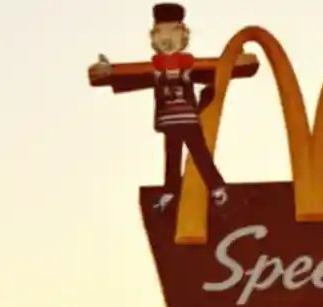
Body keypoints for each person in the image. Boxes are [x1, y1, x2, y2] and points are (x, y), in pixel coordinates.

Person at [91, 3, 229, 211]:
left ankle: (215, 186)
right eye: (160, 33)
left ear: (183, 35)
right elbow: (132, 79)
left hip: (188, 118)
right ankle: (172, 190)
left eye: (173, 32)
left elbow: (216, 73)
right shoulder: (154, 71)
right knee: (173, 156)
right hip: (169, 120)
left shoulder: (190, 67)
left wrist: (226, 72)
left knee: (198, 152)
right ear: (154, 36)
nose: (167, 39)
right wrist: (110, 73)